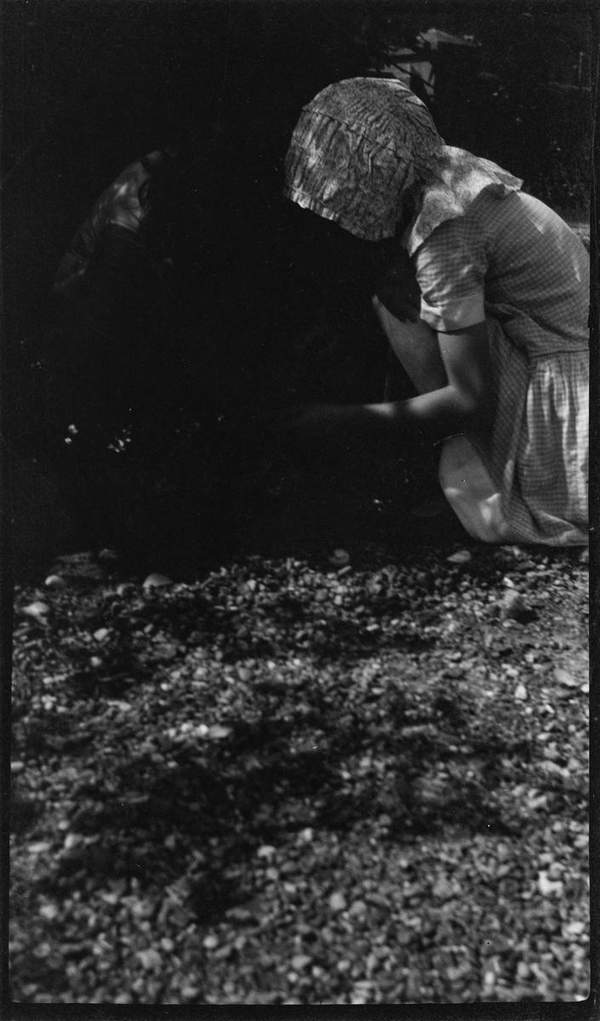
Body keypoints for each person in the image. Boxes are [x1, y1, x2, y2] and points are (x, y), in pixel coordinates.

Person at [282, 77, 589, 546]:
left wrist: (338, 420)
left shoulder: (445, 229)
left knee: (398, 308)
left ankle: (472, 459)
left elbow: (469, 398)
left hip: (568, 415)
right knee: (400, 292)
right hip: (566, 359)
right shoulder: (449, 173)